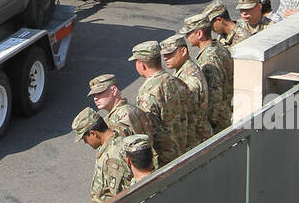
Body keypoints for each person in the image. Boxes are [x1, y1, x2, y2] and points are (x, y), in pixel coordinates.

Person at [130, 39, 191, 167]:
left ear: (142, 65)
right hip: (186, 149)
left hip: (166, 161)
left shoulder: (147, 93)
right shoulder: (176, 81)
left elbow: (148, 133)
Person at [72, 107, 132, 203]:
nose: (86, 143)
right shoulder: (115, 144)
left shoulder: (112, 157)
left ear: (93, 134)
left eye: (84, 139)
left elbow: (117, 196)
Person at [161, 33, 214, 148]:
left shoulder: (190, 76)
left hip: (197, 140)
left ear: (183, 51)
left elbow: (185, 106)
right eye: (164, 55)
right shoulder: (181, 70)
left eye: (170, 54)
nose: (166, 58)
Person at [88, 73, 154, 145]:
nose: (95, 98)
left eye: (99, 93)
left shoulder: (123, 116)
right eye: (94, 95)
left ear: (114, 90)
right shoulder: (118, 113)